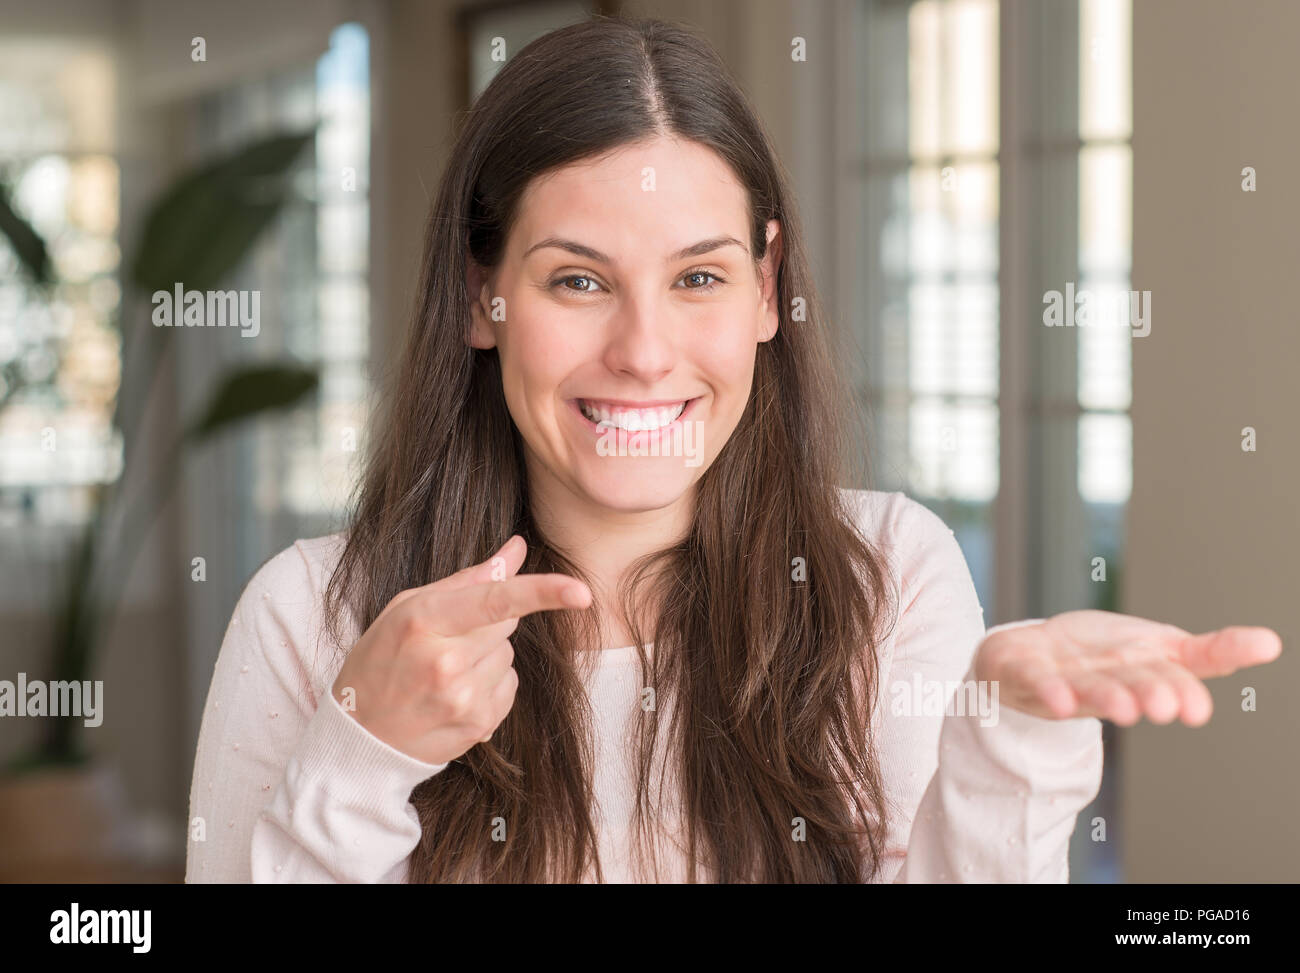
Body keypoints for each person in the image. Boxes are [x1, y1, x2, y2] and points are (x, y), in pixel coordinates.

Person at [185, 16, 1281, 883]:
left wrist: (1015, 737)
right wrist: (361, 754)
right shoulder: (309, 617)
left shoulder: (889, 571)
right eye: (578, 279)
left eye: (698, 277)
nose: (645, 351)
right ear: (484, 297)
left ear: (766, 288)